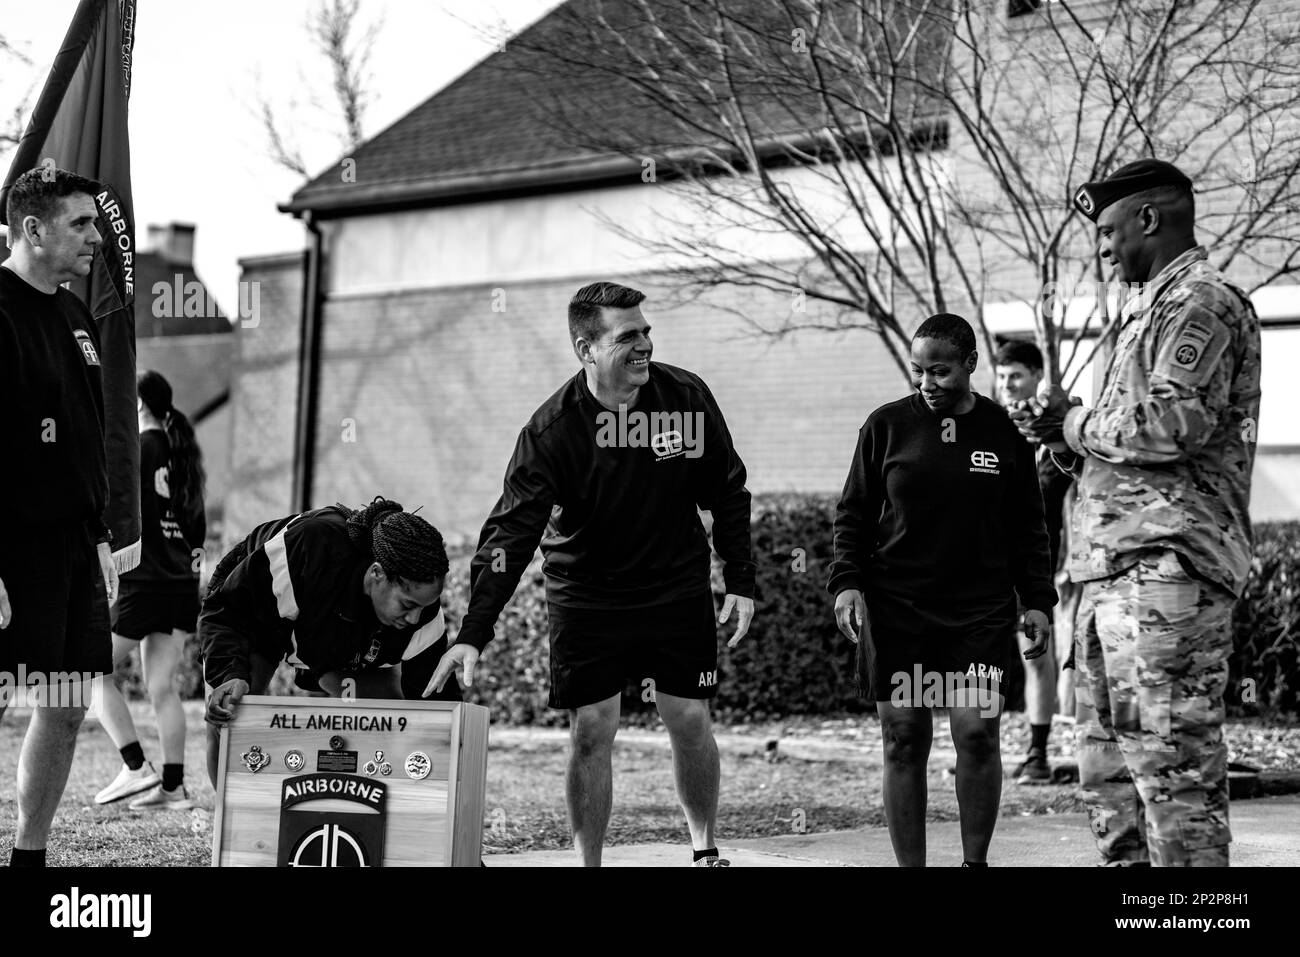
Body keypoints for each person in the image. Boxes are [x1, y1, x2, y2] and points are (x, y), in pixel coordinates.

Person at [428, 281, 756, 867]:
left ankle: (705, 850)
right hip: (587, 592)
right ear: (586, 349)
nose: (645, 345)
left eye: (646, 332)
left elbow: (727, 488)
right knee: (592, 730)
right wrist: (473, 632)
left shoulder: (684, 396)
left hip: (674, 583)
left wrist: (741, 580)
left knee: (689, 716)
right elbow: (509, 535)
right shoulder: (552, 432)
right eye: (628, 336)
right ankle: (589, 863)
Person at [1013, 159, 1262, 866]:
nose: (1103, 247)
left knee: (1172, 778)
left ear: (1148, 219)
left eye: (1107, 231)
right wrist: (1065, 445)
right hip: (1108, 579)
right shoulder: (1143, 311)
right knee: (1108, 782)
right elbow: (1126, 441)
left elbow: (1176, 420)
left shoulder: (1202, 302)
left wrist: (1074, 424)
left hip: (1166, 575)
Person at [828, 312, 1056, 867]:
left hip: (978, 612)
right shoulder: (885, 427)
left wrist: (1038, 602)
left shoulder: (1003, 434)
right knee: (904, 738)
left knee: (977, 734)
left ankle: (974, 864)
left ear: (970, 365)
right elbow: (853, 515)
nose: (927, 384)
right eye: (918, 371)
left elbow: (1029, 526)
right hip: (900, 609)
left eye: (940, 371)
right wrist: (847, 583)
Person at [0, 167, 118, 867]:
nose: (96, 238)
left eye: (96, 224)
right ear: (33, 230)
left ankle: (29, 859)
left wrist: (101, 533)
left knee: (67, 706)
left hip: (75, 548)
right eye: (80, 224)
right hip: (14, 547)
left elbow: (89, 432)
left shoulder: (76, 316)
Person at [200, 497, 458, 785]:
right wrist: (228, 673)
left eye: (424, 607)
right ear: (377, 574)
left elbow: (436, 702)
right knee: (232, 710)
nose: (414, 619)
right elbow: (226, 613)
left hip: (333, 635)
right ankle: (234, 818)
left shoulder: (422, 612)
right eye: (408, 605)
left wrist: (453, 747)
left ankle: (360, 800)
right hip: (261, 615)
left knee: (390, 711)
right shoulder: (312, 546)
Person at [93, 370, 207, 810]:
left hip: (143, 581)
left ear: (137, 404)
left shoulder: (136, 450)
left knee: (86, 670)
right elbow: (192, 530)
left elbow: (112, 513)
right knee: (162, 687)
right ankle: (174, 788)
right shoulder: (182, 456)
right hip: (179, 584)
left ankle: (135, 767)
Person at [994, 340, 1079, 784]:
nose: (1008, 385)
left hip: (1041, 573)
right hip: (989, 572)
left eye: (1017, 377)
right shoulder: (988, 435)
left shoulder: (1055, 440)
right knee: (979, 661)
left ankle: (1037, 754)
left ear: (1036, 377)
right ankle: (979, 753)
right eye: (1002, 377)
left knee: (1035, 657)